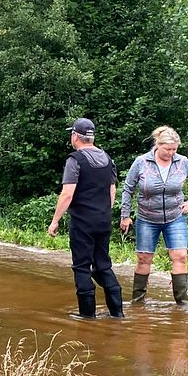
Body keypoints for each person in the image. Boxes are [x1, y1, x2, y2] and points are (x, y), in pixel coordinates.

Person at [119, 126, 188, 310]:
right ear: (158, 145)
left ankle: (183, 303)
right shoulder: (141, 162)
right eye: (168, 149)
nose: (171, 153)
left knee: (180, 256)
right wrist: (125, 215)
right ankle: (138, 301)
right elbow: (128, 189)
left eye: (175, 149)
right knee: (144, 258)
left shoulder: (183, 162)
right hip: (147, 217)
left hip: (175, 216)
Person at [48, 118, 124, 319]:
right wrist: (104, 212)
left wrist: (55, 221)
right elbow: (112, 190)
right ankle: (118, 314)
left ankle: (87, 317)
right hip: (103, 220)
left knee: (82, 267)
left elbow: (67, 194)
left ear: (75, 136)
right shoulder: (107, 159)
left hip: (82, 222)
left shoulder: (75, 160)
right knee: (102, 266)